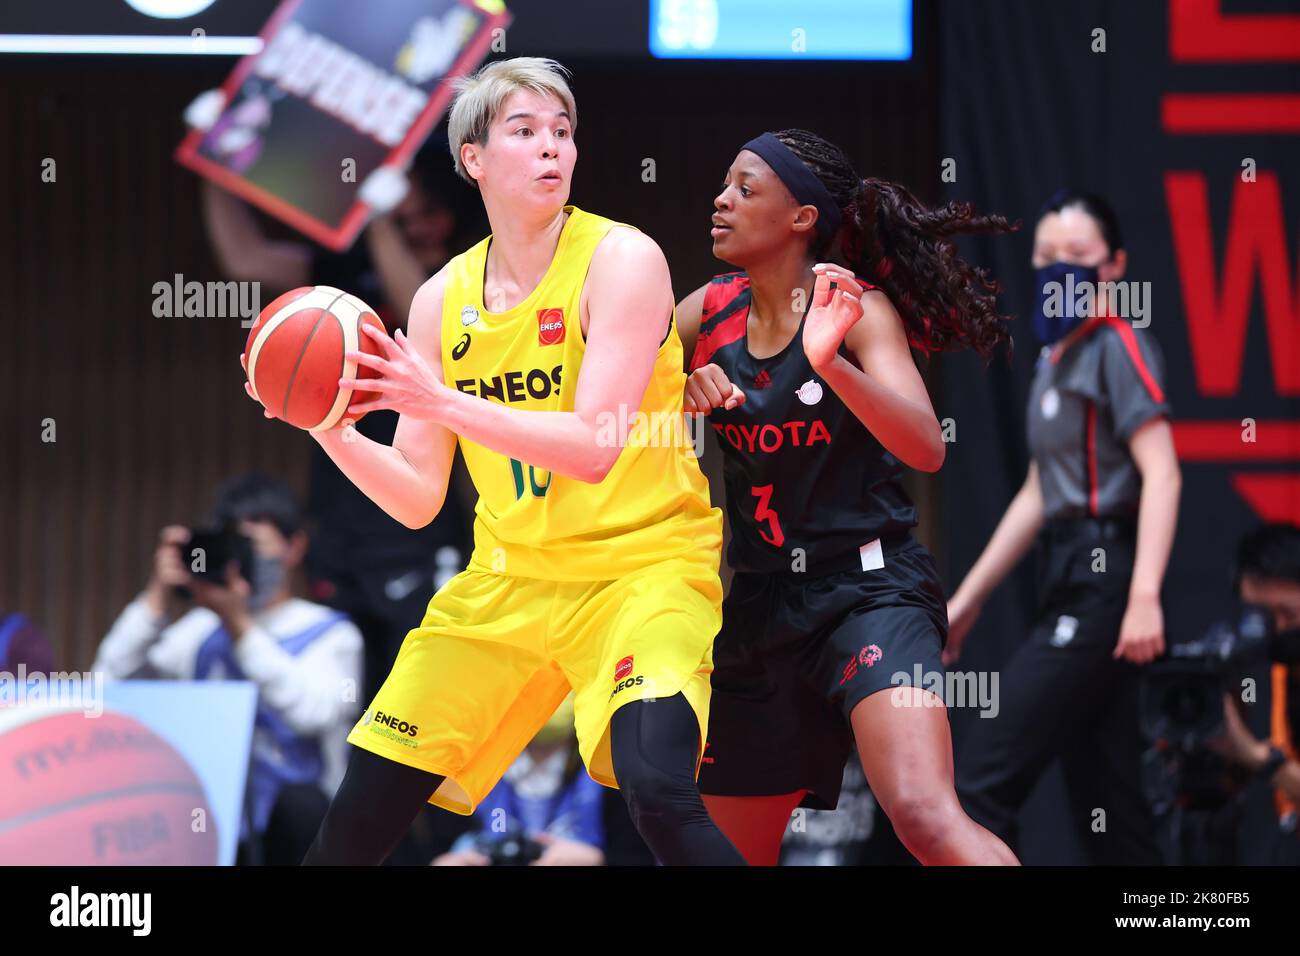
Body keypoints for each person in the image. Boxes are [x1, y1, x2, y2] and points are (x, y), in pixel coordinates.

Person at [243, 57, 745, 865]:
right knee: (361, 811)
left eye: (563, 132)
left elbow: (595, 446)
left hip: (642, 571)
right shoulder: (442, 298)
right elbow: (415, 496)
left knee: (658, 787)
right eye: (525, 131)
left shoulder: (623, 260)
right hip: (507, 579)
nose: (553, 148)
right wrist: (323, 421)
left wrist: (439, 401)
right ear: (473, 158)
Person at [678, 128, 1018, 865]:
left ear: (801, 218)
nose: (721, 199)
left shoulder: (854, 307)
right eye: (725, 184)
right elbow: (609, 415)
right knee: (727, 854)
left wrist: (829, 364)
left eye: (745, 187)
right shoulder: (706, 312)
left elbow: (925, 445)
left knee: (924, 815)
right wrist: (680, 391)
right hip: (762, 601)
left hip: (871, 590)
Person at [201, 134, 479, 705]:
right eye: (405, 213)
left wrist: (376, 223)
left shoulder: (458, 282)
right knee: (350, 696)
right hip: (342, 511)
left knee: (421, 692)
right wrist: (215, 165)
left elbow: (419, 304)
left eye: (423, 211)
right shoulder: (338, 274)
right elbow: (246, 259)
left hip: (419, 521)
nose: (415, 222)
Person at [946, 190, 1181, 865]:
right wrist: (969, 600)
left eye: (1076, 257)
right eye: (1045, 256)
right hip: (1065, 570)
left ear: (1114, 267)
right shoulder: (1052, 359)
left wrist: (1143, 596)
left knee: (978, 782)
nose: (1058, 269)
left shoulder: (1119, 345)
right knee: (1111, 802)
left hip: (1105, 584)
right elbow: (1038, 492)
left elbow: (1163, 473)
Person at [95, 473, 364, 865]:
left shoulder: (332, 633)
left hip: (299, 832)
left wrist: (240, 626)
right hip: (207, 818)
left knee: (298, 804)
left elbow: (312, 714)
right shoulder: (199, 631)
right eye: (233, 548)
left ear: (294, 547)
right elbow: (109, 683)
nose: (244, 562)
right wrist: (156, 598)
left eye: (252, 546)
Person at [431, 695, 605, 866]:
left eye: (566, 689)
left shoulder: (606, 769)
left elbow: (627, 851)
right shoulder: (468, 765)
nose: (553, 699)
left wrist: (599, 859)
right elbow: (437, 842)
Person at [1215, 523, 1300, 865]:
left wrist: (1253, 754)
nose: (1277, 629)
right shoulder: (1275, 664)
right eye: (1265, 616)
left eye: (1288, 613)